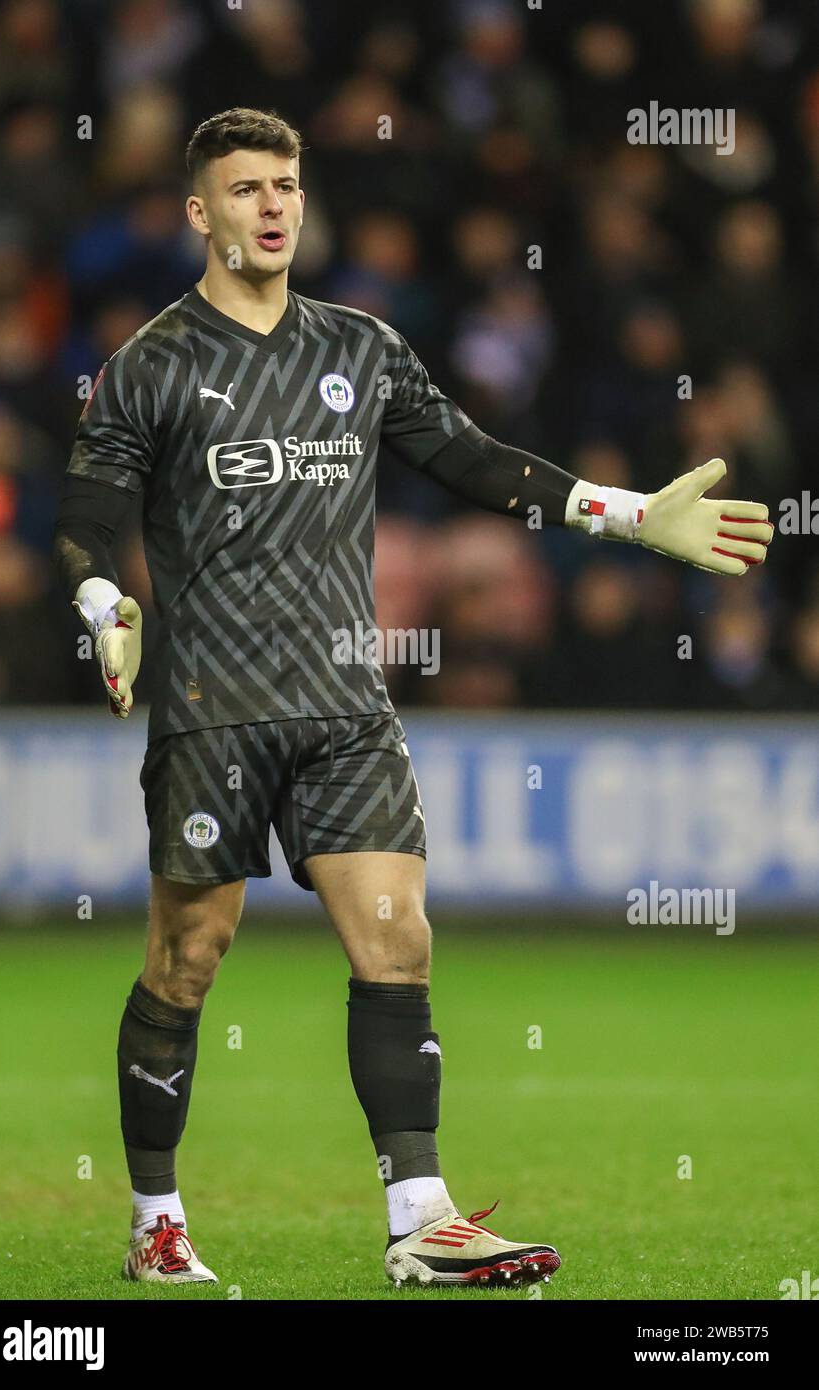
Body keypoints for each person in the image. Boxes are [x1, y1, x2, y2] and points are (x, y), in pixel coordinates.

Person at [52, 107, 773, 1289]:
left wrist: (630, 513)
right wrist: (97, 604)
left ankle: (419, 1218)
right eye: (244, 189)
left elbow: (477, 460)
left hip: (345, 705)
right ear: (199, 212)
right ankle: (154, 1221)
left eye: (286, 183)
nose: (273, 205)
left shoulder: (361, 348)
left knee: (398, 941)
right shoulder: (150, 366)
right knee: (188, 959)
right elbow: (85, 519)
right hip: (211, 703)